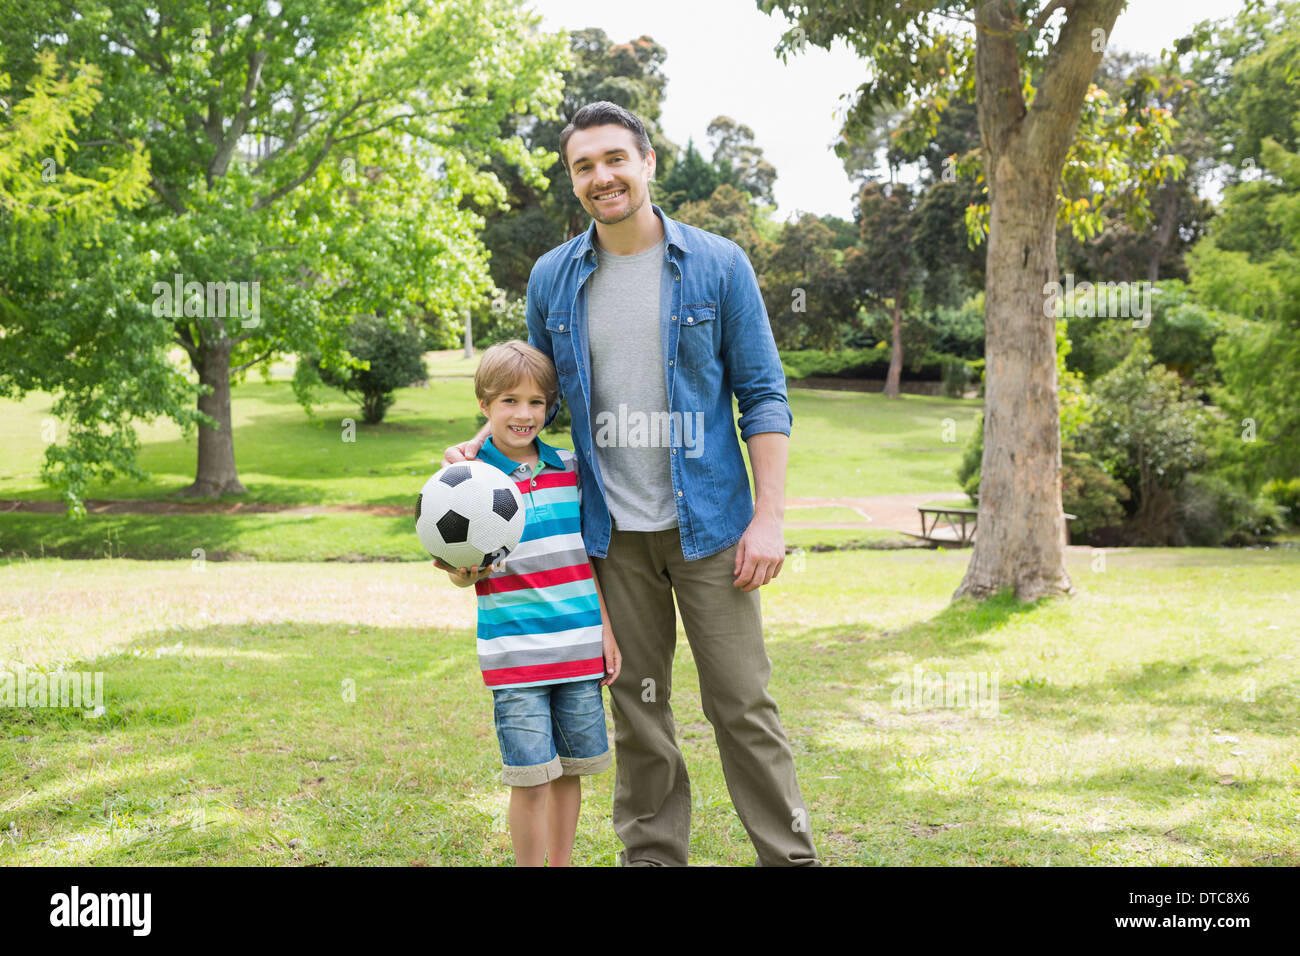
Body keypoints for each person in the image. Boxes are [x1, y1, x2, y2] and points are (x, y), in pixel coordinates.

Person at [444, 101, 819, 866]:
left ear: (648, 163)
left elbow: (764, 395)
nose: (601, 177)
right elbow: (536, 400)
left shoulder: (718, 264)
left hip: (713, 528)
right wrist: (480, 464)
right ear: (572, 179)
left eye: (615, 158)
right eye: (584, 166)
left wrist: (769, 518)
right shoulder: (554, 278)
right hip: (610, 538)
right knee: (639, 715)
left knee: (742, 706)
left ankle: (789, 858)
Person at [435, 340, 622, 867]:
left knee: (570, 772)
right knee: (532, 777)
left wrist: (606, 631)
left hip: (578, 648)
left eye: (537, 402)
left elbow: (589, 560)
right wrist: (464, 574)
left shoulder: (570, 468)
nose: (524, 413)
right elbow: (457, 571)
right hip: (515, 656)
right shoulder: (467, 481)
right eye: (509, 401)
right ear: (485, 405)